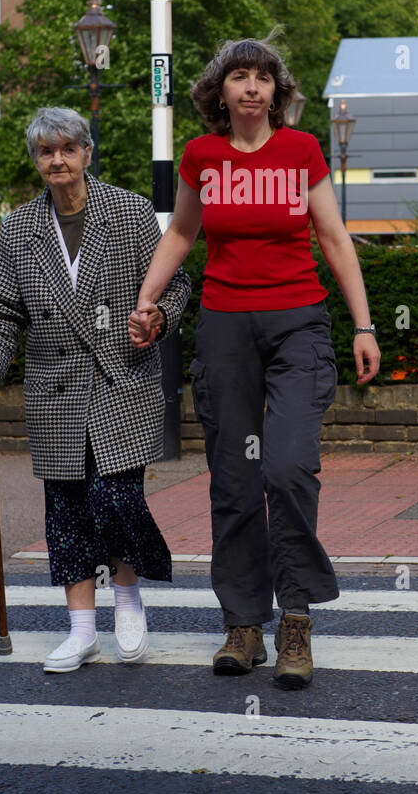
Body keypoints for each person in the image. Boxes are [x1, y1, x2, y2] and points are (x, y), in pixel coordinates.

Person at [128, 34, 380, 689]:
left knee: (289, 465)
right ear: (221, 92)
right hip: (225, 328)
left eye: (263, 77)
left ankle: (294, 617)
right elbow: (181, 234)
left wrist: (364, 324)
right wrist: (146, 301)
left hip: (298, 322)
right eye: (239, 76)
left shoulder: (301, 151)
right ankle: (243, 623)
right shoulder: (201, 157)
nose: (251, 87)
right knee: (235, 479)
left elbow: (333, 237)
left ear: (276, 92)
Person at [0, 107, 190, 672]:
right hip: (54, 387)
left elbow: (177, 282)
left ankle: (129, 596)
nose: (58, 159)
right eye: (46, 151)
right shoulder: (19, 228)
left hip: (121, 378)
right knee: (66, 510)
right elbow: (1, 311)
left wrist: (156, 316)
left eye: (68, 148)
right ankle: (82, 629)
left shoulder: (131, 211)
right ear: (37, 160)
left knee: (115, 498)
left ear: (88, 153)